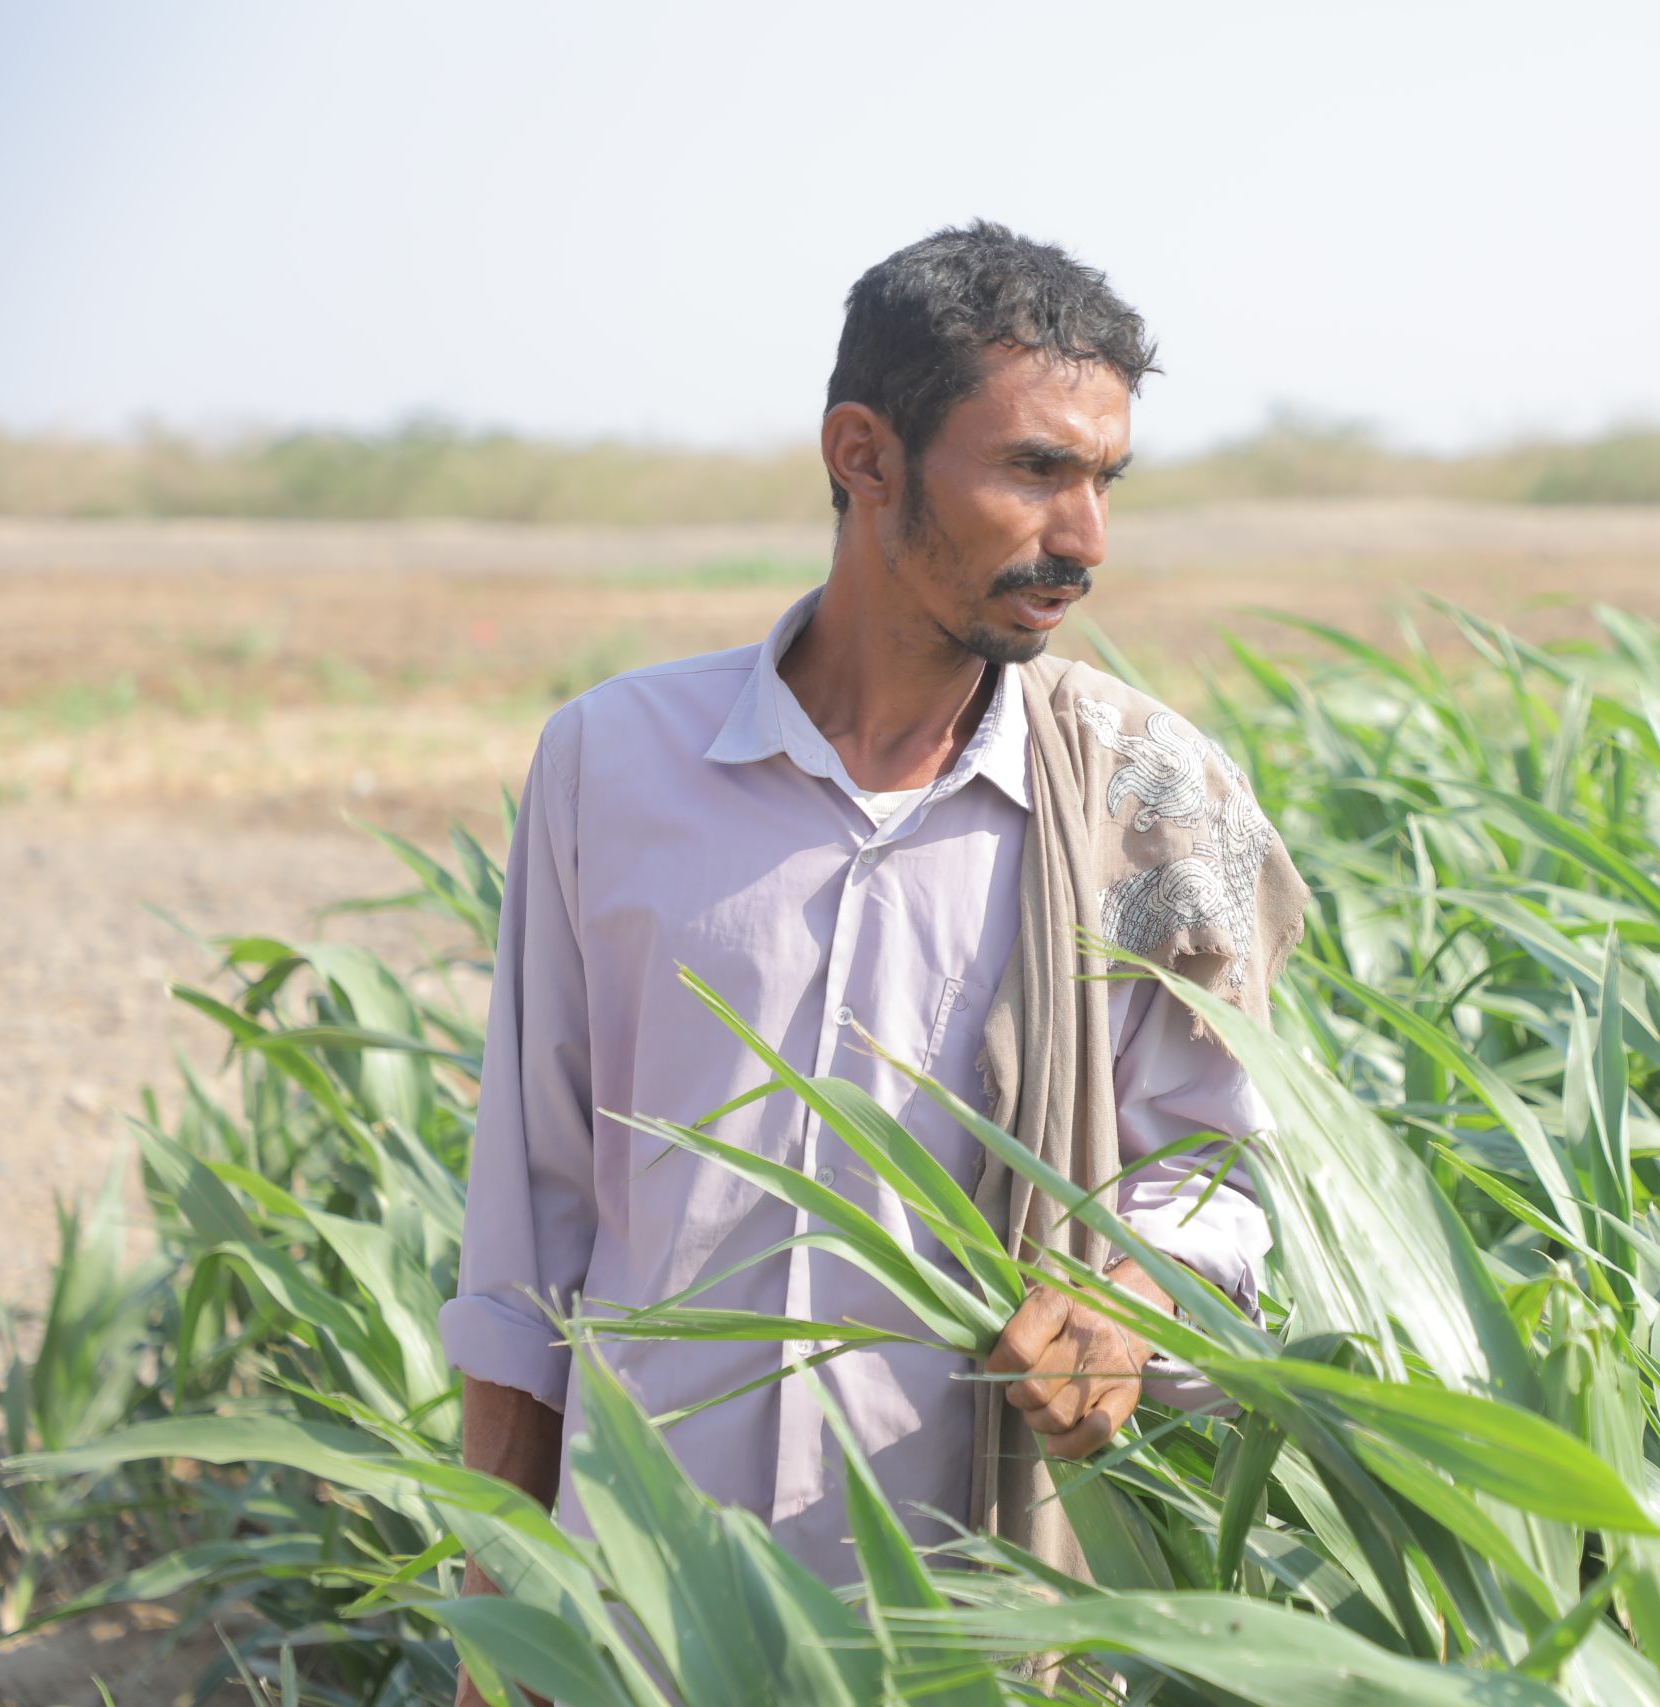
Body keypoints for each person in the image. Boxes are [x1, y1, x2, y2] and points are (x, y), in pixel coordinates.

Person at [438, 221, 1309, 1676]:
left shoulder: (1148, 795)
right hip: (651, 1614)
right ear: (864, 453)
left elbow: (1231, 1173)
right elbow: (531, 1240)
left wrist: (1131, 1293)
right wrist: (497, 1634)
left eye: (1105, 480)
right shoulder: (610, 764)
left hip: (978, 1622)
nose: (1085, 537)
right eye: (1035, 470)